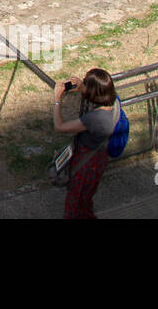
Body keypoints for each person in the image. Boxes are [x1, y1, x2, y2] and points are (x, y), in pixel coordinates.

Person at [53, 68, 120, 219]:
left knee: (74, 203)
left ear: (94, 91)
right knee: (85, 200)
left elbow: (60, 126)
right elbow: (98, 99)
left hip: (86, 163)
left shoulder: (95, 118)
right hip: (99, 158)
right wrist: (84, 88)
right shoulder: (114, 104)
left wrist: (57, 100)